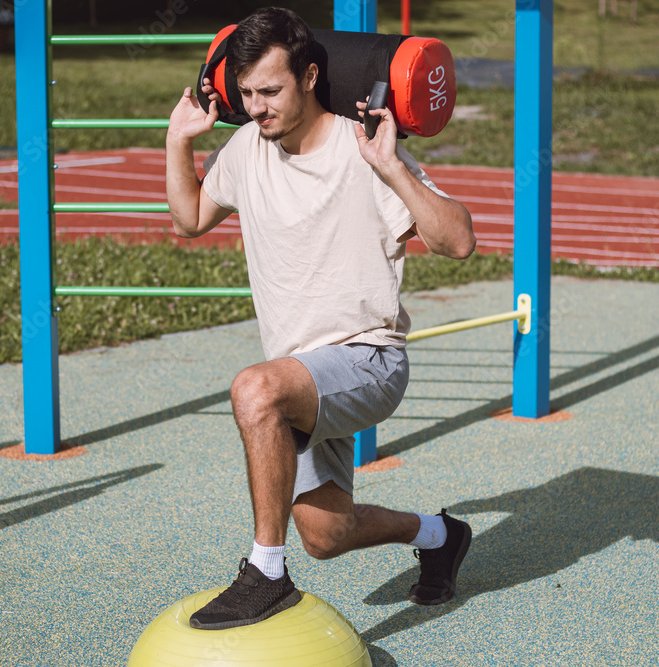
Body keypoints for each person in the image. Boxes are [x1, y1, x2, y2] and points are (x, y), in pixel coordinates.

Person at [165, 6, 476, 631]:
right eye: (247, 93)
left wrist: (391, 166)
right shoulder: (248, 147)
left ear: (309, 76)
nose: (257, 107)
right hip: (303, 371)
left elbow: (459, 240)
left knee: (255, 389)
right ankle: (440, 535)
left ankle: (265, 573)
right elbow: (191, 218)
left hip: (368, 360)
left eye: (271, 91)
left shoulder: (358, 148)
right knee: (327, 535)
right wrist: (179, 141)